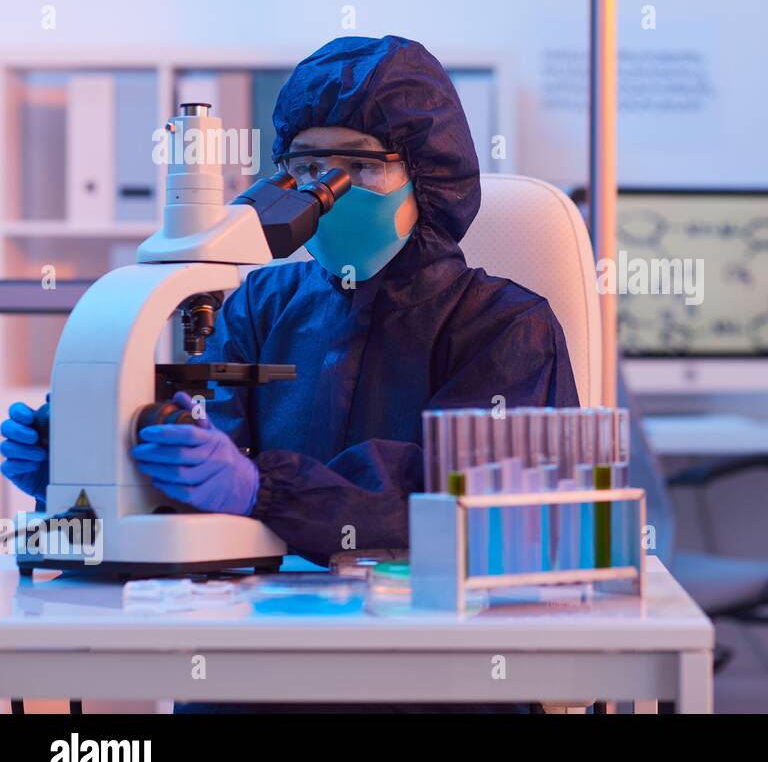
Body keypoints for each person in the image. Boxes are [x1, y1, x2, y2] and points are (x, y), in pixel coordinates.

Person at [2, 35, 579, 568]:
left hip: (427, 644)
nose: (325, 191)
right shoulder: (260, 302)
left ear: (429, 175)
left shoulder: (507, 327)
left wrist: (264, 489)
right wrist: (88, 463)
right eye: (306, 169)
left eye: (358, 167)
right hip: (255, 628)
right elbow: (200, 463)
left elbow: (461, 502)